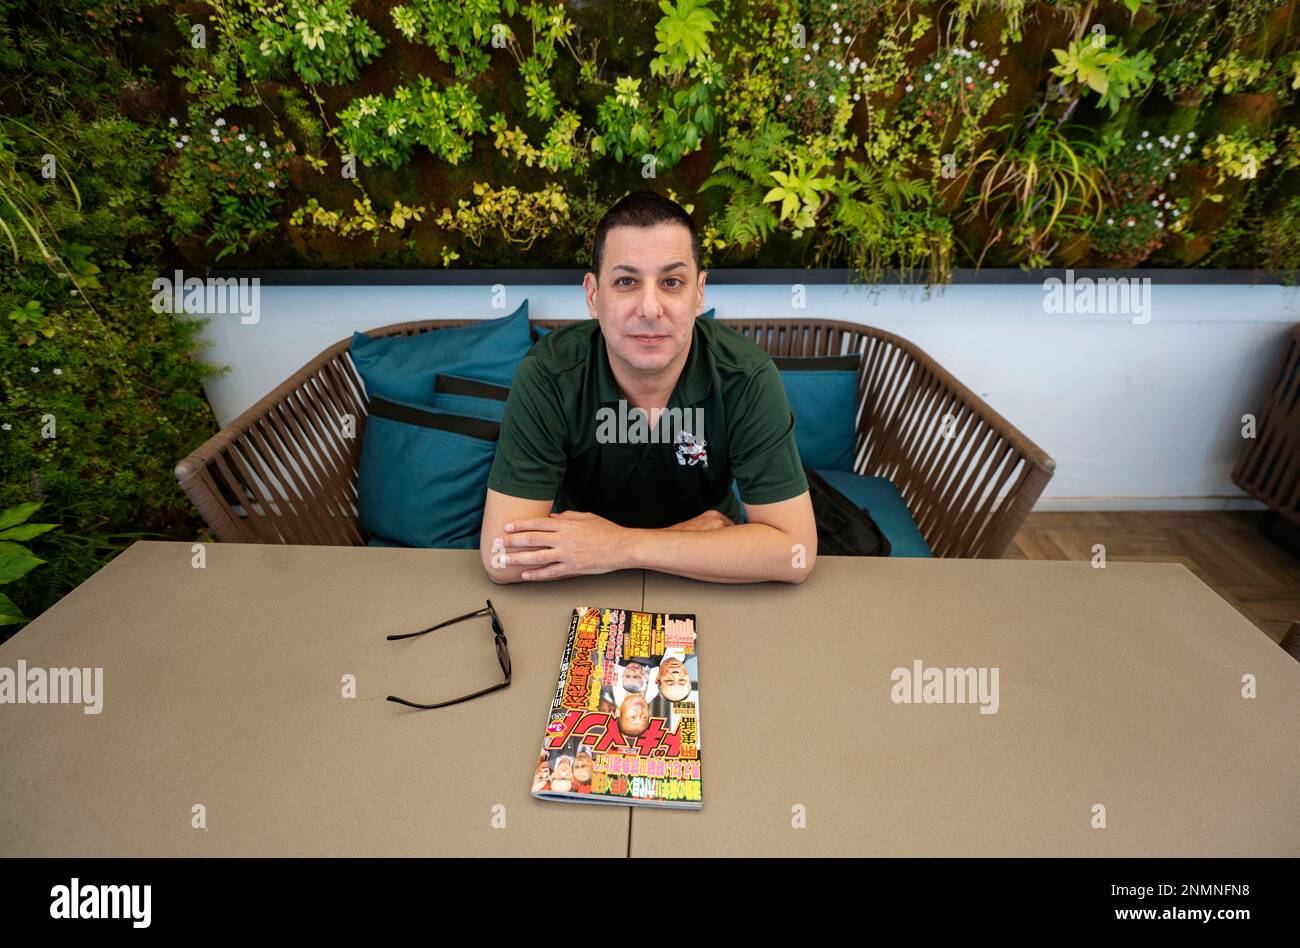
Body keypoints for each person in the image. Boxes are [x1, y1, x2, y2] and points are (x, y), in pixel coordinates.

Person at [481, 190, 817, 584]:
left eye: (672, 282)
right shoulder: (548, 375)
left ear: (699, 293)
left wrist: (621, 546)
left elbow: (795, 554)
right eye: (626, 281)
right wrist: (668, 541)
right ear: (593, 295)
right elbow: (501, 558)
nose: (650, 308)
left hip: (708, 579)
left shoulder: (746, 376)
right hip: (589, 576)